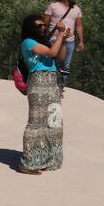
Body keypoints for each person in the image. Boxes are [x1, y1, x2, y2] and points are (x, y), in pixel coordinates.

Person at [20, 14, 69, 175]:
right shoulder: (28, 42)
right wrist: (60, 34)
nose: (42, 27)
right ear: (31, 28)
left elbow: (60, 56)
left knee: (53, 121)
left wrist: (64, 41)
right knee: (36, 123)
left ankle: (50, 159)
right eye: (39, 25)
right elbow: (50, 53)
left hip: (52, 83)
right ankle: (29, 162)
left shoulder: (44, 42)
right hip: (38, 83)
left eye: (43, 25)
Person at [44, 0, 84, 90]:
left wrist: (81, 41)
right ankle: (48, 85)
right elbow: (45, 23)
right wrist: (42, 37)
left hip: (69, 42)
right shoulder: (53, 6)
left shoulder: (77, 9)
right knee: (51, 63)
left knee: (65, 65)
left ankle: (61, 87)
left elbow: (79, 25)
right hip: (54, 40)